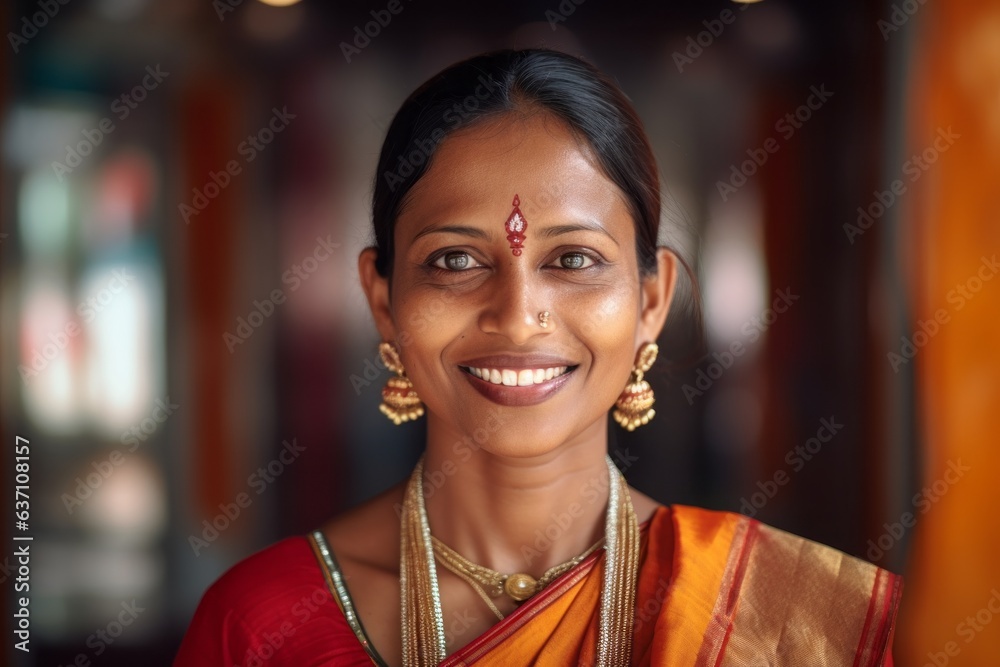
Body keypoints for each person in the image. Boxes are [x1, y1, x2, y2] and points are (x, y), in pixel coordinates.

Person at [175, 49, 901, 666]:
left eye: (575, 258)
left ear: (653, 299)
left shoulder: (793, 618)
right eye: (455, 259)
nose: (518, 315)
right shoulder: (261, 626)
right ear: (383, 297)